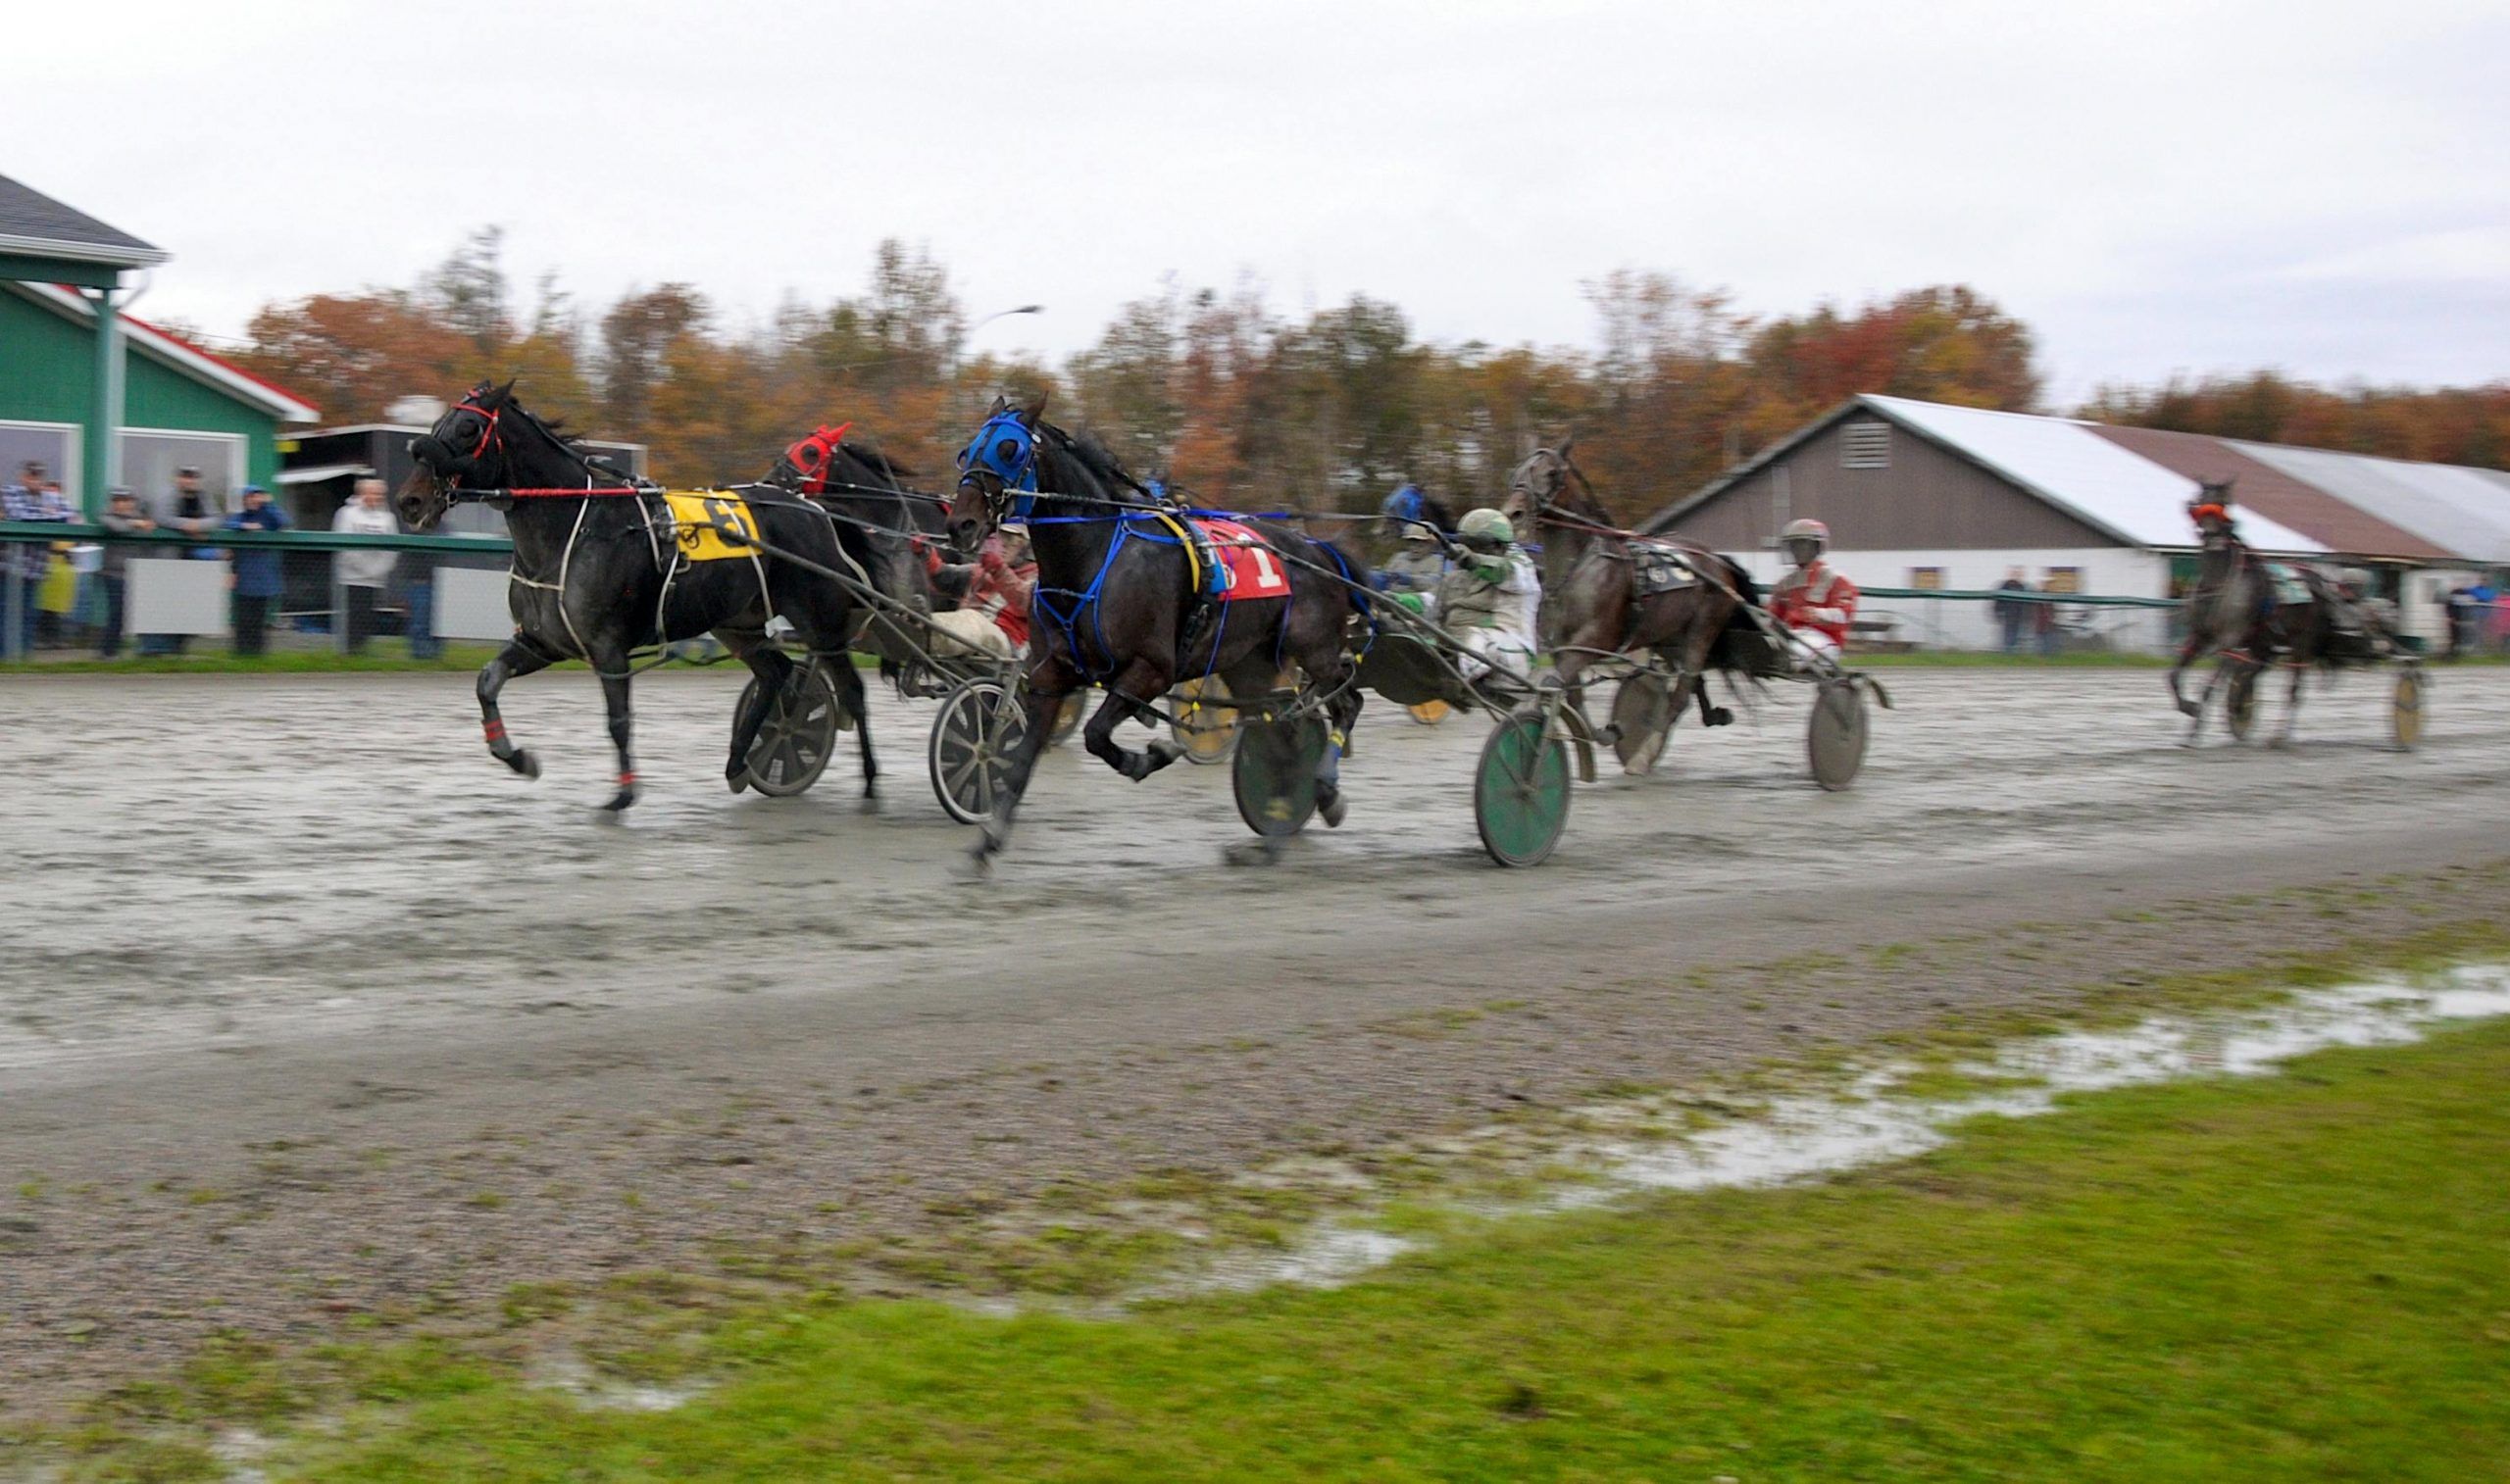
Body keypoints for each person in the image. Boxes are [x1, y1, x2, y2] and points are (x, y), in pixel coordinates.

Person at [1431, 507, 1540, 684]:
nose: (1472, 550)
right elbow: (1432, 602)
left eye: (1477, 546)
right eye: (1468, 545)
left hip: (1513, 655)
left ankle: (1464, 680)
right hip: (1460, 647)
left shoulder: (1522, 571)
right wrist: (1399, 600)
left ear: (1499, 545)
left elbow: (1504, 573)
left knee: (1476, 638)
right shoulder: (1459, 574)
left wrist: (1472, 560)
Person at [918, 530, 1034, 658]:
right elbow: (944, 577)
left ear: (1024, 548)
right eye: (999, 540)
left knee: (974, 619)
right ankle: (914, 623)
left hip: (1009, 643)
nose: (1002, 547)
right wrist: (926, 553)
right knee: (969, 619)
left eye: (1010, 543)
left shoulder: (1037, 577)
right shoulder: (981, 569)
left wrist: (998, 570)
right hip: (968, 635)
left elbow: (1026, 603)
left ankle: (920, 632)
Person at [143, 465, 221, 655]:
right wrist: (186, 525)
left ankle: (178, 649)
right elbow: (161, 518)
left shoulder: (203, 496)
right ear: (177, 479)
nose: (189, 480)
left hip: (194, 560)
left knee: (188, 605)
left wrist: (198, 526)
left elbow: (217, 518)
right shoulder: (166, 495)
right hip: (167, 559)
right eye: (185, 476)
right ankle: (153, 650)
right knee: (161, 605)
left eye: (193, 477)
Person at [3, 460, 74, 657]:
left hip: (36, 566)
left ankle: (23, 655)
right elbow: (18, 515)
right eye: (31, 475)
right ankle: (5, 656)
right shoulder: (10, 492)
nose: (35, 480)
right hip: (10, 566)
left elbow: (71, 516)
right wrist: (48, 515)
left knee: (28, 613)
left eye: (38, 476)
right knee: (7, 612)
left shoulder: (52, 496)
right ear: (23, 477)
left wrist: (48, 515)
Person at [1767, 518, 1858, 668]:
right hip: (1790, 635)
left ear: (1818, 547)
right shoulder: (1785, 583)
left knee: (1796, 653)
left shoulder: (1836, 579)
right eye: (1793, 545)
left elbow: (1844, 615)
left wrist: (1819, 614)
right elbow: (1772, 615)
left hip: (1824, 639)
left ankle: (1790, 657)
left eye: (1802, 544)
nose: (1796, 550)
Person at [332, 478, 399, 653]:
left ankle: (362, 652)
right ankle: (347, 653)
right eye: (373, 492)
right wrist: (365, 569)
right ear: (362, 493)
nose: (376, 496)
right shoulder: (347, 514)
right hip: (351, 578)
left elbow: (393, 548)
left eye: (379, 493)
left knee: (366, 618)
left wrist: (378, 570)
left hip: (375, 579)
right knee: (351, 618)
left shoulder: (388, 518)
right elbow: (344, 546)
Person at [223, 485, 288, 656]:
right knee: (243, 618)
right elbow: (228, 525)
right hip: (243, 577)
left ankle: (257, 654)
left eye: (257, 496)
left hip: (264, 578)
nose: (253, 500)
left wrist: (269, 504)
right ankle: (242, 653)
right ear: (244, 500)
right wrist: (245, 526)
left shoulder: (268, 517)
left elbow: (284, 522)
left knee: (259, 619)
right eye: (250, 497)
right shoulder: (239, 517)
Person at [95, 487, 152, 658]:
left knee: (141, 613)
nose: (122, 504)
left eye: (126, 500)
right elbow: (116, 527)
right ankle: (108, 652)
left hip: (138, 573)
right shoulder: (106, 516)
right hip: (114, 573)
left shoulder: (142, 517)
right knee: (116, 613)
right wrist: (135, 523)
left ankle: (146, 651)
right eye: (118, 501)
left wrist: (141, 522)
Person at [1376, 520, 1448, 598]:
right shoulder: (1399, 557)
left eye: (1421, 546)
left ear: (1432, 546)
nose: (1414, 549)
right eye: (1411, 545)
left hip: (1419, 601)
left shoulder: (1437, 561)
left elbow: (1435, 583)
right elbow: (1386, 576)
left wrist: (1410, 580)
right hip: (1392, 596)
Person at [1992, 567, 2031, 653]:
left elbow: (2026, 602)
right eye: (2014, 574)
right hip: (2007, 614)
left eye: (2018, 574)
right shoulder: (2005, 586)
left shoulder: (2022, 587)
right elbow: (1998, 600)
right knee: (2008, 633)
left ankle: (2013, 650)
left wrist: (2026, 614)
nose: (2016, 576)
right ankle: (2007, 650)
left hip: (2018, 615)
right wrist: (1998, 612)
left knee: (2017, 633)